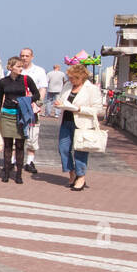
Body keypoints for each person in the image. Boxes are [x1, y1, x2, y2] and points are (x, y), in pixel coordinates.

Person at [55, 63, 104, 191]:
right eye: (69, 77)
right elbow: (61, 99)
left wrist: (79, 109)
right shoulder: (67, 86)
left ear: (81, 77)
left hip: (82, 124)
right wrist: (59, 103)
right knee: (63, 149)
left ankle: (81, 176)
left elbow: (98, 110)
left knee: (80, 151)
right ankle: (72, 172)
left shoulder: (91, 89)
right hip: (66, 121)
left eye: (73, 78)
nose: (71, 80)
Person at [0, 56, 40, 184]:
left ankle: (19, 174)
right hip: (7, 115)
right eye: (18, 66)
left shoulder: (26, 79)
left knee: (20, 145)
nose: (21, 68)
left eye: (22, 66)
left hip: (21, 116)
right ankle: (6, 172)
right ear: (11, 67)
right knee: (7, 145)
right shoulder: (3, 82)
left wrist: (24, 100)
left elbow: (37, 94)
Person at [15, 47, 47, 173]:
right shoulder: (15, 70)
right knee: (15, 134)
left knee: (32, 135)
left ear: (32, 57)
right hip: (17, 107)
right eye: (22, 55)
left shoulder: (39, 71)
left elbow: (43, 88)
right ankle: (14, 160)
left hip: (32, 107)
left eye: (27, 56)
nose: (24, 58)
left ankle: (29, 161)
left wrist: (38, 104)